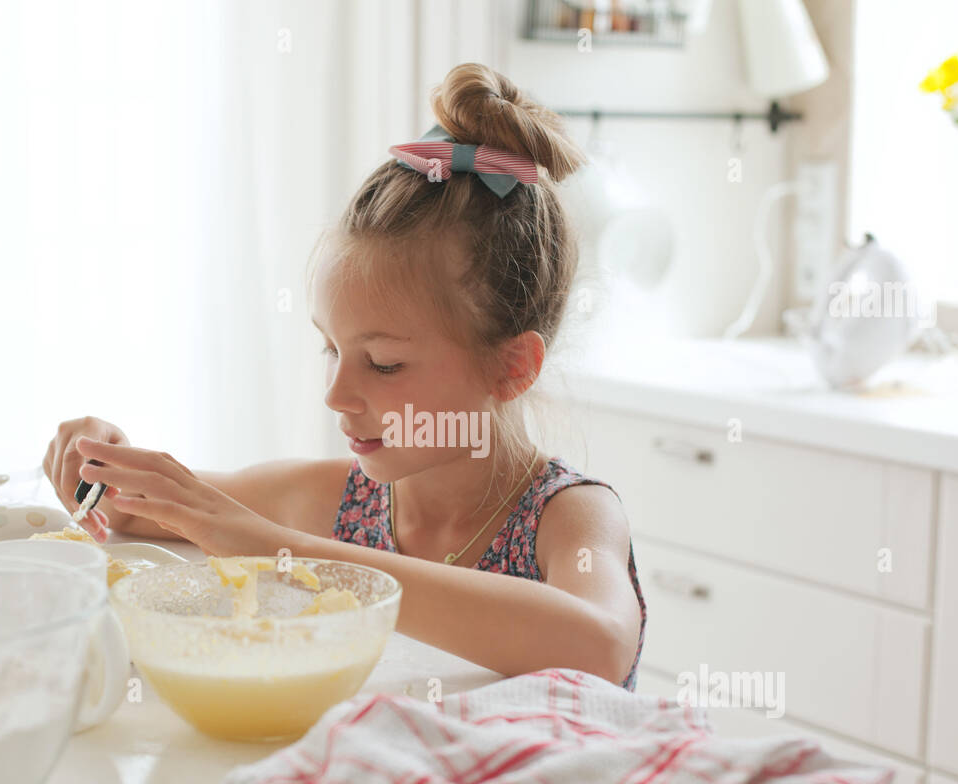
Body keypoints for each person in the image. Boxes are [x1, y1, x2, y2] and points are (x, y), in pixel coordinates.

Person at [43, 63, 647, 690]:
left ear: (511, 367)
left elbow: (598, 644)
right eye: (331, 349)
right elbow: (144, 513)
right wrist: (97, 464)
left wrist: (274, 546)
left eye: (383, 363)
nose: (336, 395)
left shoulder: (568, 517)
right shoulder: (340, 502)